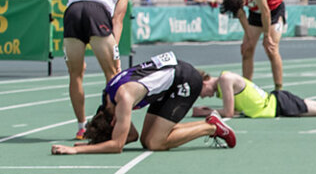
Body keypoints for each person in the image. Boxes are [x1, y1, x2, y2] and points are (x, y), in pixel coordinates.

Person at [51, 52, 236, 154]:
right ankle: (211, 121)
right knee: (146, 140)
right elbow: (131, 136)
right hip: (170, 79)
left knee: (156, 143)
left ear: (113, 122)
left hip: (184, 79)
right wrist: (92, 144)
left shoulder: (122, 99)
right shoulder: (109, 98)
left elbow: (117, 145)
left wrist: (77, 151)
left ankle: (211, 128)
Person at [61, 0, 130, 139]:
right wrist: (115, 51)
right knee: (113, 74)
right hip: (96, 11)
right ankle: (114, 123)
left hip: (72, 14)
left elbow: (73, 5)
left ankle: (81, 127)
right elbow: (117, 21)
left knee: (75, 74)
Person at [192, 65, 316, 118]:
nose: (204, 95)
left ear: (205, 79)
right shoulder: (223, 82)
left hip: (278, 105)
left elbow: (228, 113)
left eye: (202, 91)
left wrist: (207, 112)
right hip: (277, 102)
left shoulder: (225, 79)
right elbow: (233, 111)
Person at [221, 0, 285, 89]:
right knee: (247, 49)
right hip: (255, 14)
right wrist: (249, 38)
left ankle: (279, 89)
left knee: (271, 49)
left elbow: (266, 12)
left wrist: (266, 35)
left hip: (273, 11)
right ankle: (247, 88)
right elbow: (241, 15)